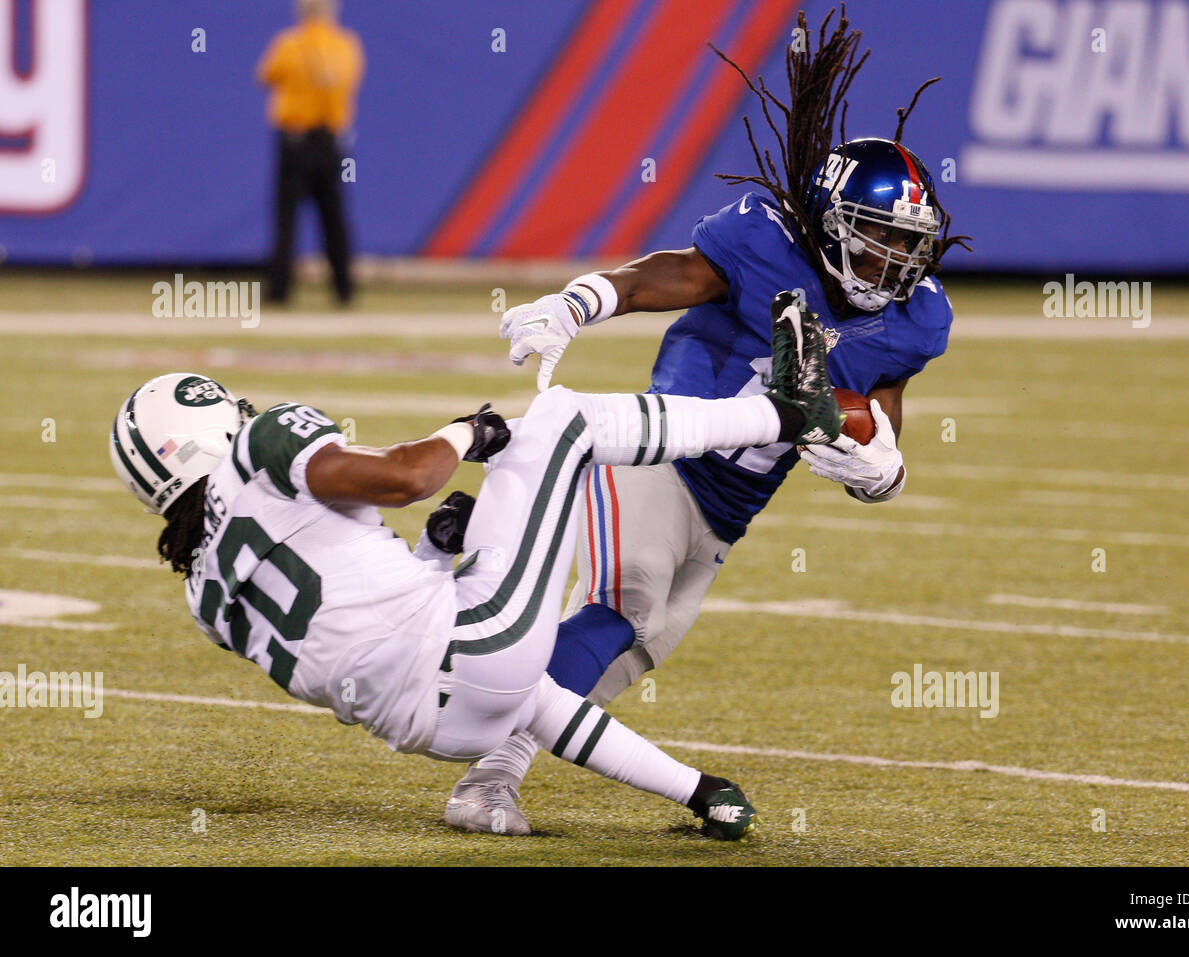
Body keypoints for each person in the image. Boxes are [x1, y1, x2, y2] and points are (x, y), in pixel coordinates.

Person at [442, 9, 970, 834]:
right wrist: (581, 301)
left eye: (906, 247)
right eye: (875, 241)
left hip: (731, 508)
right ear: (830, 224)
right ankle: (484, 775)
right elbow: (669, 275)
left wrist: (883, 471)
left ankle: (480, 640)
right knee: (623, 607)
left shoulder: (917, 317)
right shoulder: (767, 243)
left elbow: (879, 415)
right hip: (663, 450)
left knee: (631, 646)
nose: (891, 264)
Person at [107, 293, 842, 840]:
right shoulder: (258, 447)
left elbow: (365, 633)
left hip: (438, 726)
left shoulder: (204, 596)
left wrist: (434, 550)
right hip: (477, 648)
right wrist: (468, 431)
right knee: (559, 423)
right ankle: (786, 413)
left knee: (527, 690)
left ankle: (701, 793)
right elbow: (407, 476)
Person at [257, 0, 364, 305]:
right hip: (331, 139)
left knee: (286, 217)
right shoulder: (346, 46)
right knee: (333, 216)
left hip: (296, 138)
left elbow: (266, 76)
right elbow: (350, 81)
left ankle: (280, 290)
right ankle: (344, 289)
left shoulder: (289, 44)